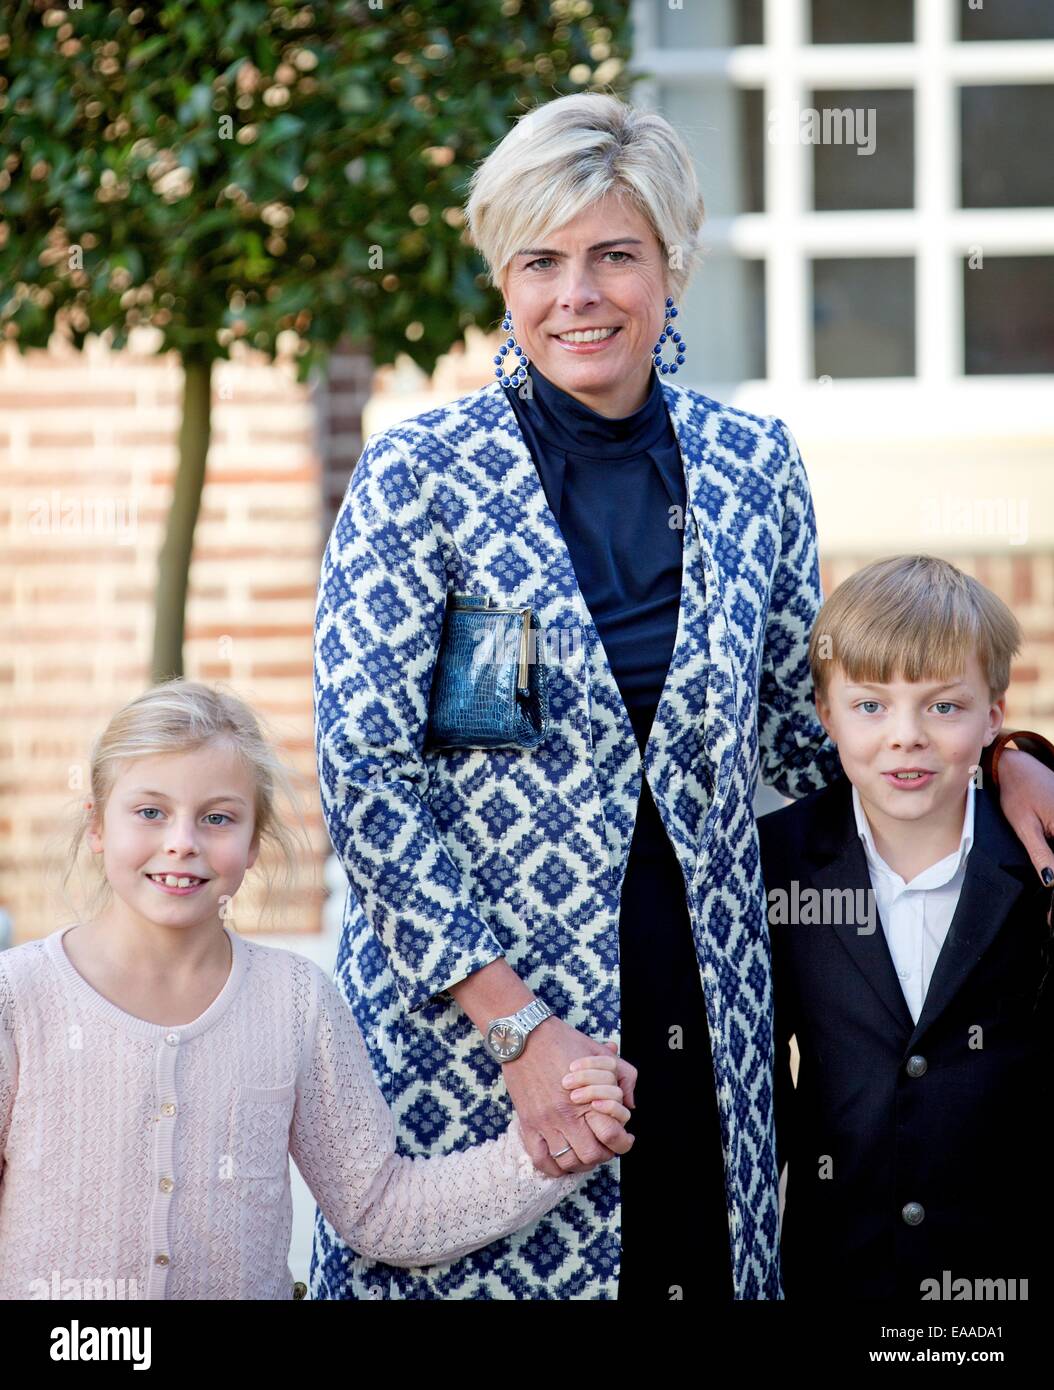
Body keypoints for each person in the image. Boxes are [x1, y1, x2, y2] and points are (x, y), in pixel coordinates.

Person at [310, 91, 1054, 1301]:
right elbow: (368, 777)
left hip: (710, 996)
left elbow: (810, 740)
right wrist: (519, 1031)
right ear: (503, 278)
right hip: (475, 1015)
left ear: (672, 269)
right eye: (540, 261)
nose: (578, 295)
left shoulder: (750, 464)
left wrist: (1004, 756)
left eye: (615, 255)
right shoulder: (419, 475)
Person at [0, 680, 634, 1300]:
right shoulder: (18, 996)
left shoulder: (295, 1000)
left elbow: (380, 1209)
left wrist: (548, 1150)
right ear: (97, 827)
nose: (182, 842)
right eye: (150, 812)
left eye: (217, 818)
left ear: (253, 843)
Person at [759, 556, 1054, 1300]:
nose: (906, 736)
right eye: (870, 706)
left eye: (943, 707)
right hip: (836, 1272)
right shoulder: (777, 862)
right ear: (824, 713)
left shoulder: (1037, 854)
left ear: (994, 715)